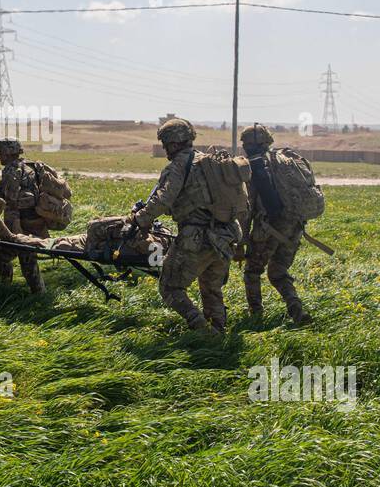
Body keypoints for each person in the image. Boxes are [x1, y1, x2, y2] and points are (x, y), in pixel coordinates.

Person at [130, 118, 244, 334]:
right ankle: (218, 332)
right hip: (226, 236)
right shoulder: (209, 162)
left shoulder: (179, 166)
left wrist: (140, 219)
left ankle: (202, 330)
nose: (165, 151)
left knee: (170, 287)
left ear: (173, 143)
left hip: (198, 238)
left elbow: (163, 199)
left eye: (165, 145)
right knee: (211, 288)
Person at [239, 123, 313, 325]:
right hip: (295, 227)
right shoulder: (286, 161)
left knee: (252, 272)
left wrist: (243, 238)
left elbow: (249, 206)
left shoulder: (255, 166)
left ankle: (256, 316)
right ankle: (297, 311)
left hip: (268, 229)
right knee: (278, 272)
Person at [0, 138, 48, 293]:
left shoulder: (11, 170)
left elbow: (11, 202)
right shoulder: (28, 167)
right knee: (28, 259)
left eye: (0, 152)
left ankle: (5, 289)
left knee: (3, 256)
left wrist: (13, 233)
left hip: (20, 222)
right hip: (34, 221)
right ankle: (39, 292)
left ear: (9, 153)